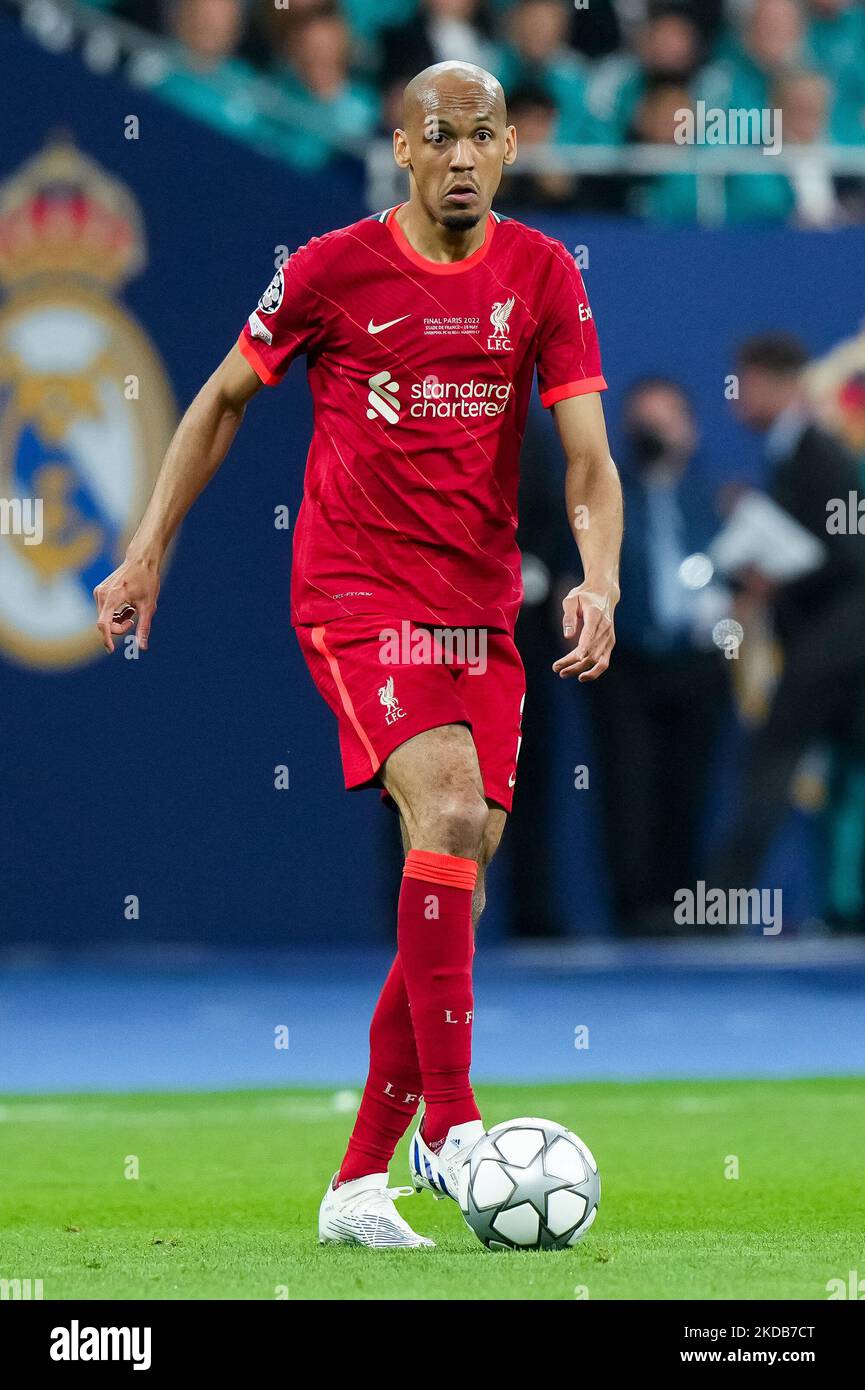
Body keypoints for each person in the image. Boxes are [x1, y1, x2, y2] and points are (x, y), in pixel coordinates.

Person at [92, 61, 623, 1248]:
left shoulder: (542, 275)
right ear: (402, 148)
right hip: (355, 593)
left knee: (460, 871)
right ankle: (456, 1121)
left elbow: (586, 456)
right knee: (440, 808)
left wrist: (599, 572)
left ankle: (356, 1185)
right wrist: (145, 552)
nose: (466, 156)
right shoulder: (328, 269)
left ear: (509, 151)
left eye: (484, 135)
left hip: (479, 610)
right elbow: (224, 397)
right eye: (443, 136)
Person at [709, 334, 865, 902]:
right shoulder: (795, 452)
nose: (735, 399)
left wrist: (774, 578)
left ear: (780, 383)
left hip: (833, 646)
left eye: (744, 385)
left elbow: (849, 553)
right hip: (833, 643)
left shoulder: (817, 452)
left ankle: (722, 904)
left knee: (770, 762)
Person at [586, 378, 728, 934]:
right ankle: (633, 909)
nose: (654, 434)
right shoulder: (604, 498)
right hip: (627, 664)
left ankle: (683, 905)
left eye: (665, 421)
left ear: (689, 430)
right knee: (627, 785)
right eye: (643, 422)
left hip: (697, 664)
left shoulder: (714, 498)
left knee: (689, 785)